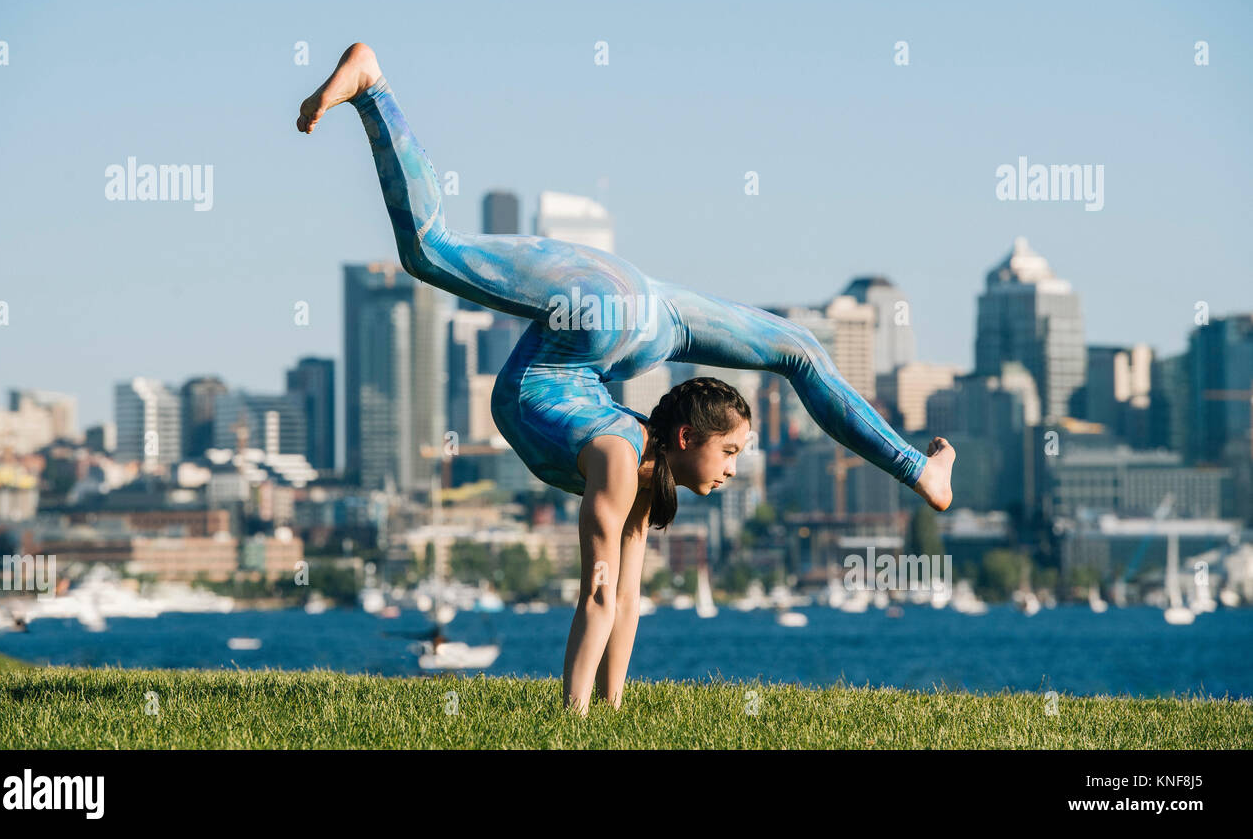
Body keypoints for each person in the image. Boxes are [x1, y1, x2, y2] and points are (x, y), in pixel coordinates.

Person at [297, 43, 955, 716]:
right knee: (430, 250)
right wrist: (574, 718)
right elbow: (598, 593)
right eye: (729, 451)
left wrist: (610, 713)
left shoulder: (638, 462)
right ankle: (372, 83)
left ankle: (918, 471)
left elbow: (626, 599)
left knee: (797, 350)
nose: (733, 469)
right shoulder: (618, 455)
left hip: (644, 320)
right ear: (682, 434)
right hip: (607, 318)